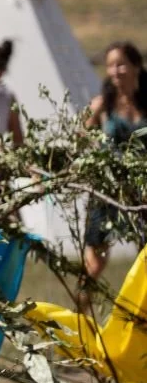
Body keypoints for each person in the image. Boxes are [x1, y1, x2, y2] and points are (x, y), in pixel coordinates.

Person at [82, 41, 147, 280]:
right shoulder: (101, 105)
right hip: (107, 190)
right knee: (94, 264)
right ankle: (81, 315)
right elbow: (81, 139)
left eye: (121, 64)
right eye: (110, 65)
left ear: (136, 66)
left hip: (143, 190)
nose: (115, 71)